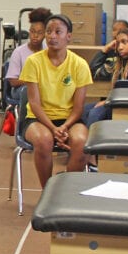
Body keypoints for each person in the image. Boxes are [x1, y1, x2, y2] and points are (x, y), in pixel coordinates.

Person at [18, 14, 93, 190]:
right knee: (44, 140)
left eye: (58, 32)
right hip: (38, 119)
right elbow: (34, 104)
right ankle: (48, 193)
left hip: (69, 119)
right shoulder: (33, 62)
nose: (52, 36)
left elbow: (78, 107)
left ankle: (66, 191)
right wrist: (53, 129)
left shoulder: (80, 64)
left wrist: (64, 127)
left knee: (82, 141)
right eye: (49, 32)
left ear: (68, 36)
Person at [4, 6, 51, 89]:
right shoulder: (18, 52)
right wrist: (32, 82)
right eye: (32, 31)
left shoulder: (49, 51)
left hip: (43, 88)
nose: (35, 36)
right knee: (29, 90)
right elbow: (13, 81)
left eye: (39, 32)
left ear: (45, 34)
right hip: (21, 89)